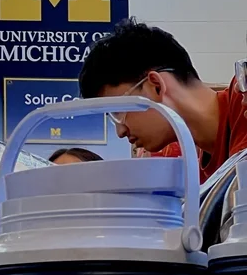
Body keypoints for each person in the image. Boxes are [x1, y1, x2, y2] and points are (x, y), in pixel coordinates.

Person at [78, 19, 247, 183]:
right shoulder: (206, 182)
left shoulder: (243, 100)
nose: (120, 131)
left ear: (156, 86)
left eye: (119, 111)